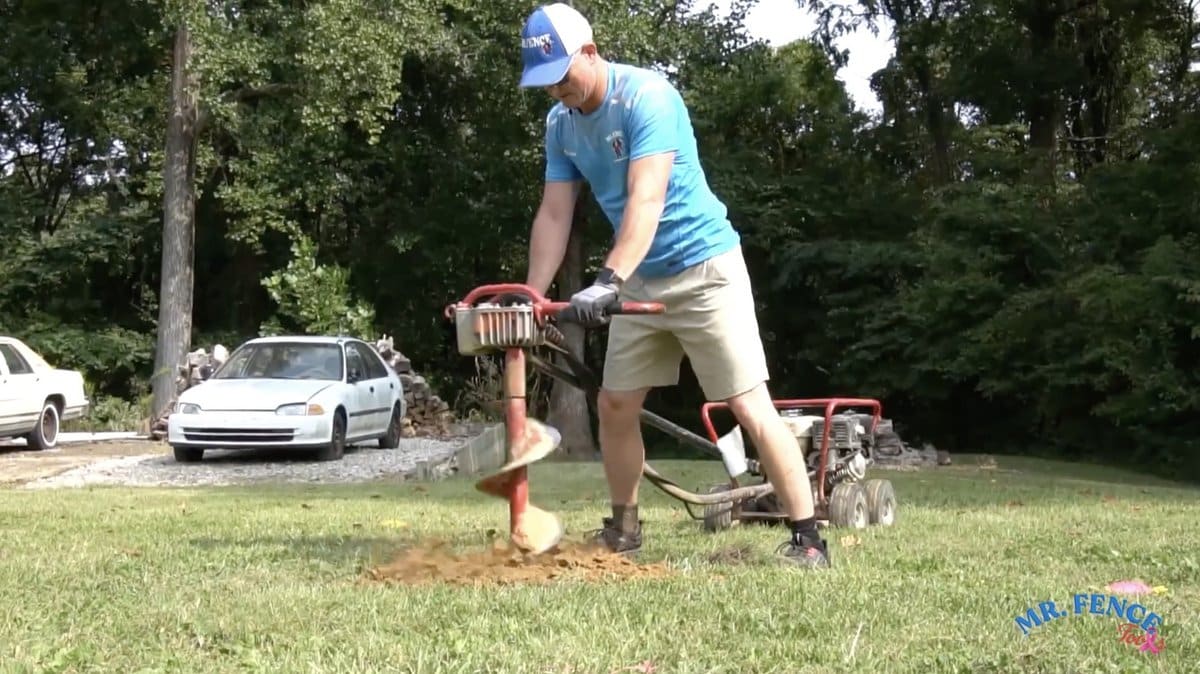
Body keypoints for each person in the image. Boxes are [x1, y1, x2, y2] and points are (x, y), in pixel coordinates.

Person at [516, 3, 830, 568]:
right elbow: (556, 213)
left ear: (590, 52)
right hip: (641, 275)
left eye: (562, 76)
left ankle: (809, 540)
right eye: (544, 83)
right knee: (614, 404)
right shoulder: (559, 125)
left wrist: (608, 279)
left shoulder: (647, 97)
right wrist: (535, 296)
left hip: (705, 268)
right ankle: (624, 529)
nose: (555, 91)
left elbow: (647, 198)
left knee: (748, 404)